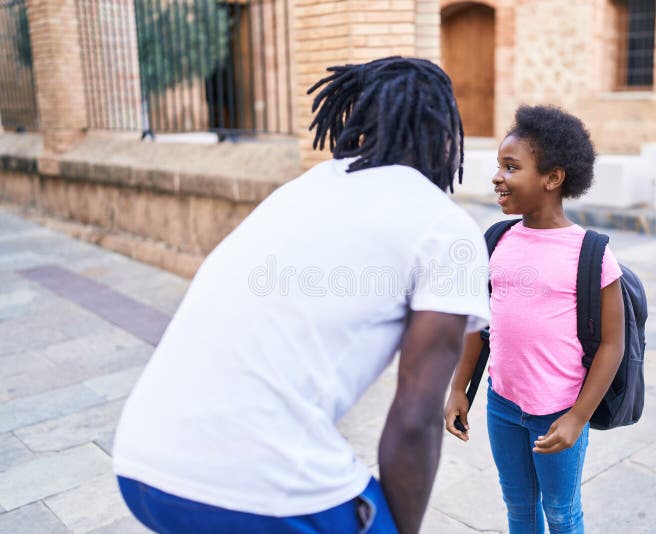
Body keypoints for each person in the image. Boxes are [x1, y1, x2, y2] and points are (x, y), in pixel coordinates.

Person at [113, 56, 490, 534]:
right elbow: (416, 417)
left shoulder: (303, 188)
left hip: (139, 465)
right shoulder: (445, 227)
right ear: (444, 134)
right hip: (248, 490)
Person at [444, 105, 625, 534]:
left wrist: (579, 416)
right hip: (502, 408)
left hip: (559, 412)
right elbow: (480, 325)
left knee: (561, 514)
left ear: (552, 177)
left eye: (511, 167)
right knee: (519, 507)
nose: (496, 177)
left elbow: (614, 344)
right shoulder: (497, 240)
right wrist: (458, 388)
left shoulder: (591, 253)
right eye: (498, 166)